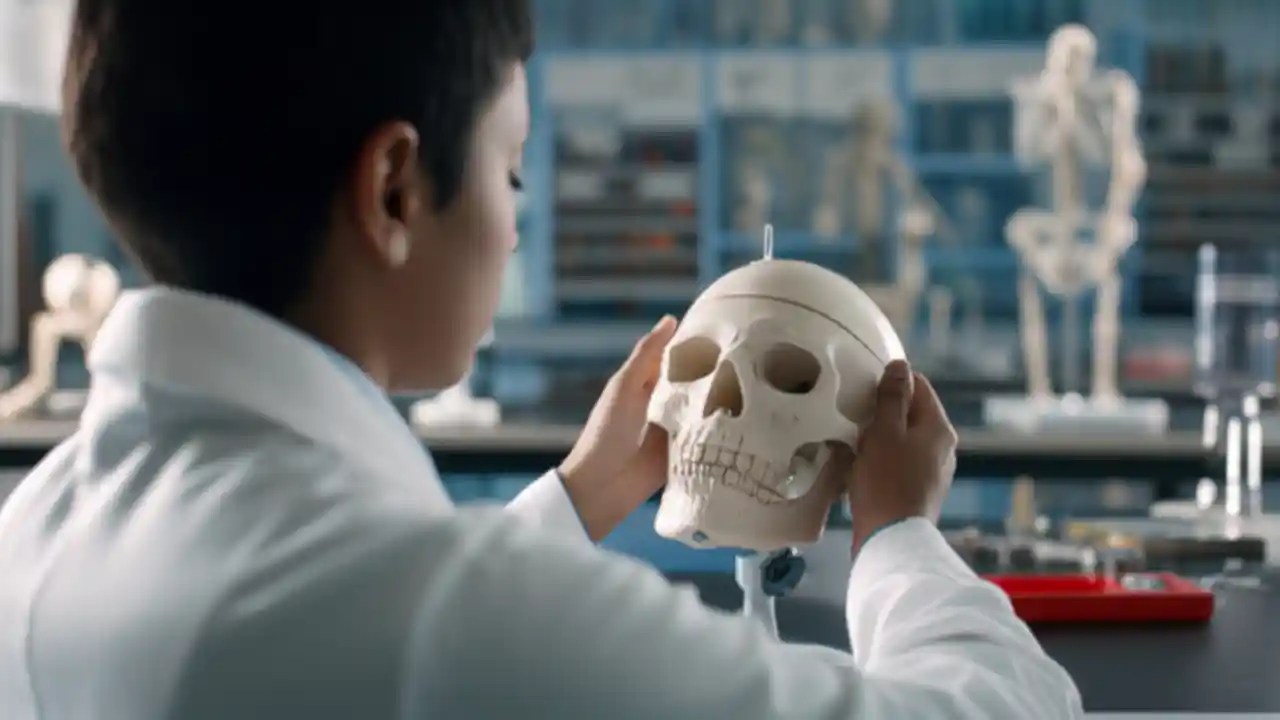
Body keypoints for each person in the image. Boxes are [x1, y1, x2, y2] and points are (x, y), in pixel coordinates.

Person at [0, 1, 1083, 717]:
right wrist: (897, 539)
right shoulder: (449, 616)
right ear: (393, 190)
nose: (514, 227)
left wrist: (579, 493)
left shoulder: (36, 529)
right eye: (510, 172)